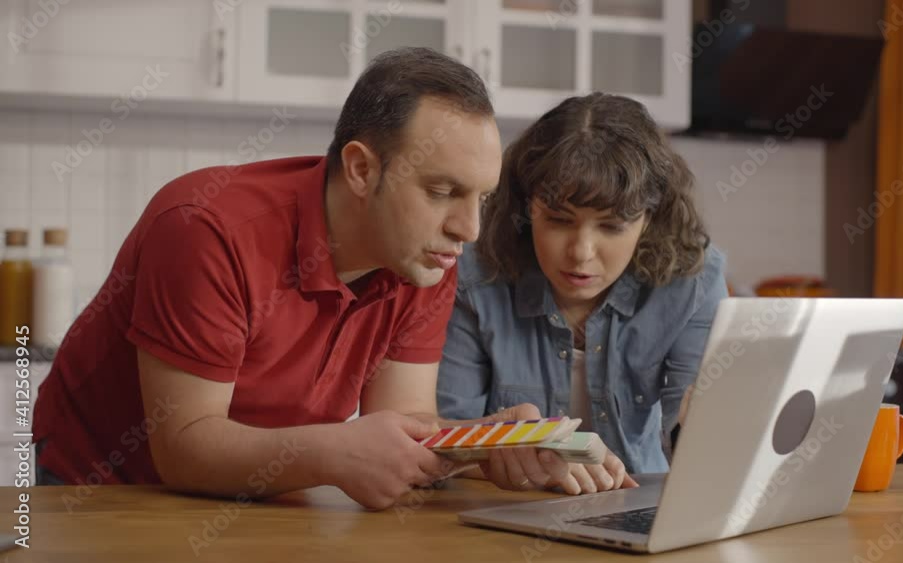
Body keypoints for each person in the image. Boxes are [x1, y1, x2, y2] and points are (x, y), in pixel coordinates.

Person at [31, 47, 531, 510]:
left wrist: (496, 445)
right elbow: (184, 447)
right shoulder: (207, 229)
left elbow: (408, 420)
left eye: (482, 199)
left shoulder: (426, 255)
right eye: (443, 191)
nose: (469, 228)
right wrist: (333, 453)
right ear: (360, 170)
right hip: (105, 490)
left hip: (264, 493)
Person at [436, 93, 728, 494]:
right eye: (558, 220)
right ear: (526, 209)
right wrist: (506, 459)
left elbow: (693, 442)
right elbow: (446, 445)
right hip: (505, 506)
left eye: (611, 226)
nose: (581, 253)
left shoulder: (693, 279)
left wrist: (709, 429)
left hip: (636, 498)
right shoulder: (473, 277)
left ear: (648, 219)